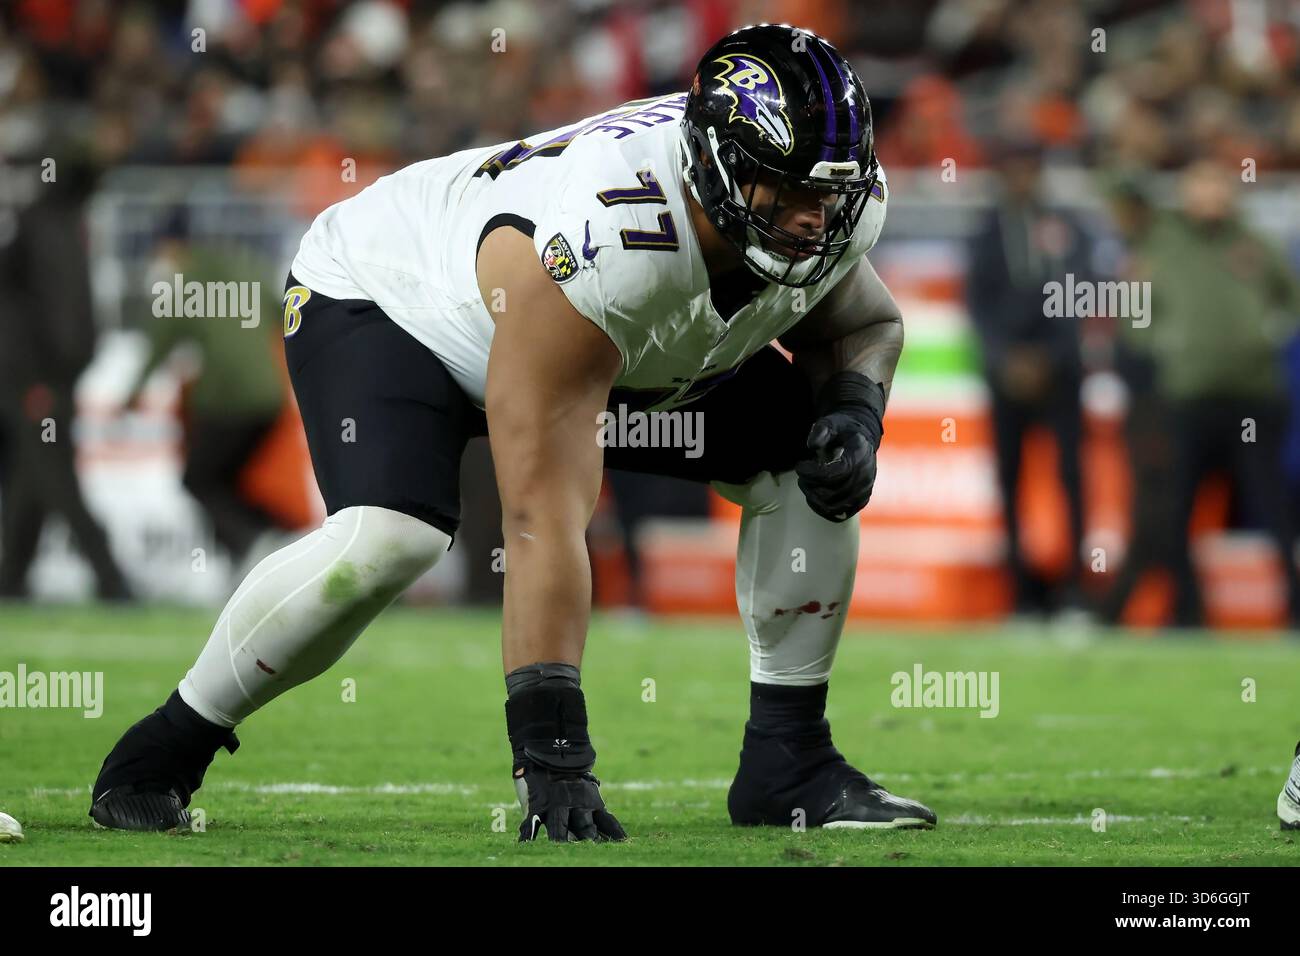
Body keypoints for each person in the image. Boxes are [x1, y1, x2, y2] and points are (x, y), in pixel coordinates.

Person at [87, 25, 937, 839]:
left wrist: (857, 409)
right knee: (392, 539)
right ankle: (168, 743)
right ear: (715, 166)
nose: (809, 221)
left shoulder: (826, 206)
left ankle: (789, 762)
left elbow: (865, 325)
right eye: (785, 191)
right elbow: (538, 521)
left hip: (621, 341)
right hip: (397, 298)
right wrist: (553, 756)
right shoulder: (616, 242)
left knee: (812, 456)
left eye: (827, 195)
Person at [966, 140, 1092, 616]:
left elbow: (1080, 294)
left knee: (1070, 479)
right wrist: (1006, 360)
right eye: (1012, 170)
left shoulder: (1065, 226)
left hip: (1059, 373)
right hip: (1007, 377)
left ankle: (1076, 587)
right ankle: (1020, 590)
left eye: (1028, 169)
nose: (1020, 180)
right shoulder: (987, 230)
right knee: (1010, 478)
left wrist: (1049, 358)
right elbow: (977, 304)